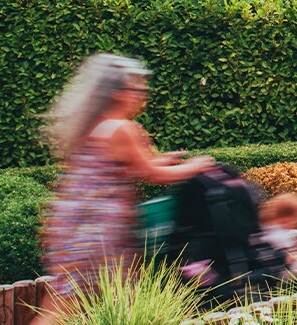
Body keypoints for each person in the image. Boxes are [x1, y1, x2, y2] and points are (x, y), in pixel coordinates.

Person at [35, 54, 215, 325]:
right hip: (99, 230)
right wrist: (198, 165)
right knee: (110, 299)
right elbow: (153, 174)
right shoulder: (122, 128)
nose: (141, 94)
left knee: (65, 299)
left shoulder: (92, 127)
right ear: (117, 93)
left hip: (72, 225)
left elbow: (127, 166)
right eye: (137, 88)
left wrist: (164, 161)